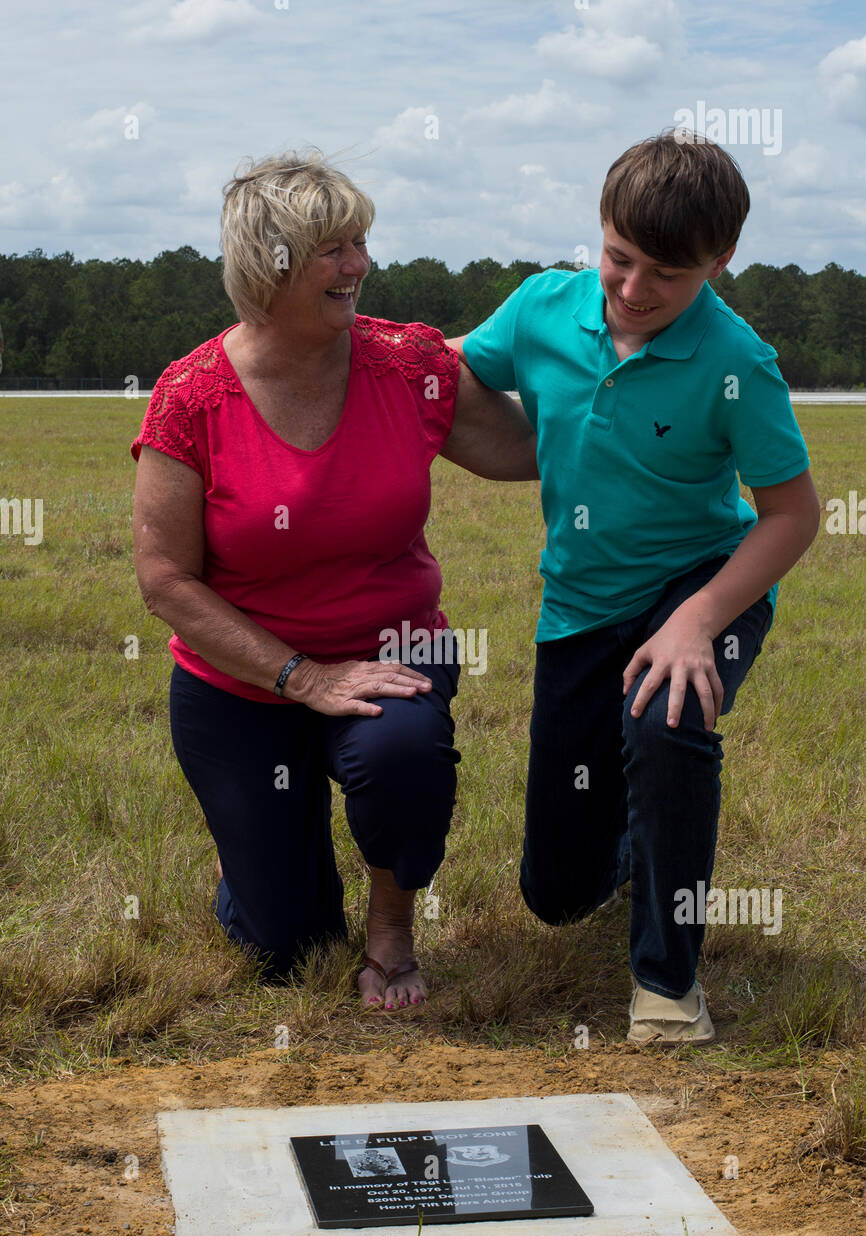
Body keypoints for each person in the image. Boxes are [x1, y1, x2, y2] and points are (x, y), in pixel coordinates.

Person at [132, 150, 537, 1010]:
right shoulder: (188, 399)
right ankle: (255, 857)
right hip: (242, 684)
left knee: (401, 754)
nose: (358, 265)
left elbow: (527, 450)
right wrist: (303, 677)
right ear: (266, 265)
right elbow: (166, 580)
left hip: (391, 649)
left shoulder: (410, 364)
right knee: (288, 949)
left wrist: (640, 386)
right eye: (334, 248)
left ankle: (392, 930)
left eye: (361, 242)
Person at [451, 131, 821, 1045]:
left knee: (667, 723)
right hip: (581, 604)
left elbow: (792, 514)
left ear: (721, 260)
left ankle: (667, 983)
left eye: (667, 273)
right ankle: (631, 847)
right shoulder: (542, 306)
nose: (633, 289)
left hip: (699, 584)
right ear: (599, 232)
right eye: (619, 258)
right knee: (557, 894)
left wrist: (699, 619)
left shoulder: (740, 363)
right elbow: (445, 368)